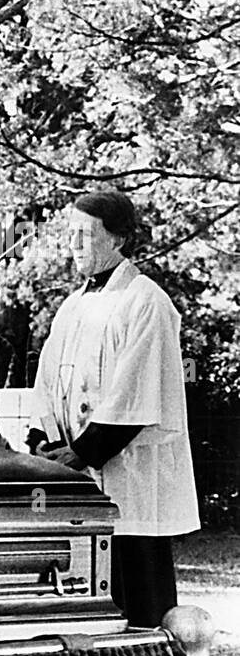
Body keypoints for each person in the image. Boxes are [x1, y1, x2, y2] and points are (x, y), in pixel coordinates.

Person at [30, 190, 199, 627]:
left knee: (136, 602)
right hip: (75, 476)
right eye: (70, 235)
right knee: (82, 603)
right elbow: (47, 381)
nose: (73, 245)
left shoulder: (146, 301)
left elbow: (138, 390)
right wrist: (46, 443)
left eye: (84, 235)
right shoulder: (73, 306)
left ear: (118, 239)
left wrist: (85, 451)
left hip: (128, 477)